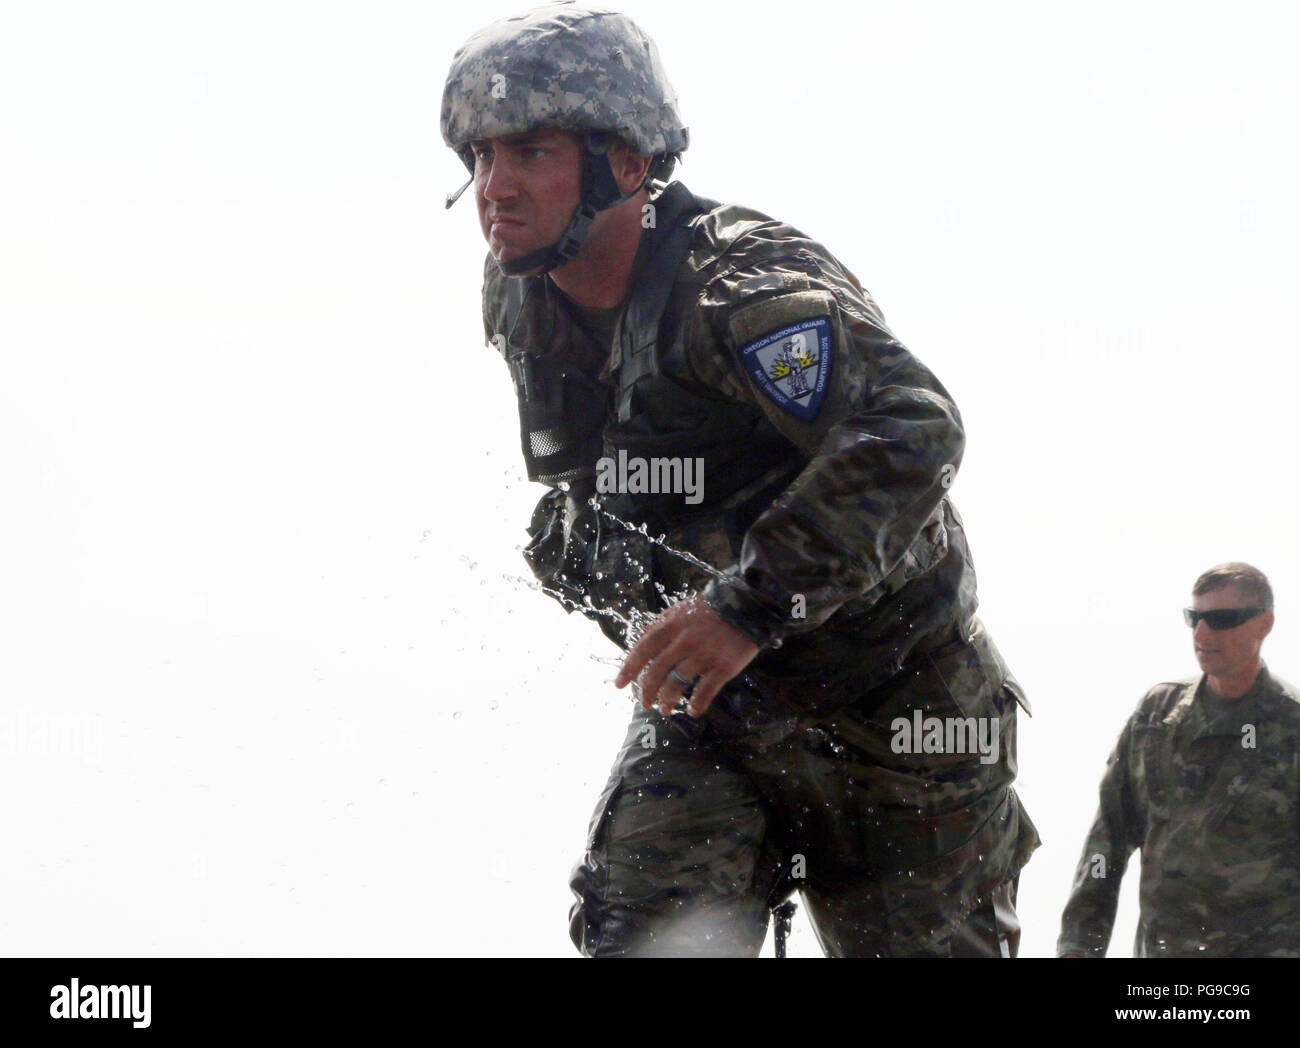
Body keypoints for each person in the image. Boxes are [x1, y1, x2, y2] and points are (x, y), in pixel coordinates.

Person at [443, 3, 1038, 957]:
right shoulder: (522, 294)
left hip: (902, 710)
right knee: (637, 935)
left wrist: (748, 607)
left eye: (531, 153)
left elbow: (913, 429)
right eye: (479, 157)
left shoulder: (741, 289)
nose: (496, 187)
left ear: (626, 164)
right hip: (722, 713)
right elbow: (592, 498)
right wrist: (611, 579)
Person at [1058, 562, 1300, 957]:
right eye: (1195, 618)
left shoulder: (1291, 727)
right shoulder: (1157, 716)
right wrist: (1079, 945)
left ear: (1264, 624)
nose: (1203, 634)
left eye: (1221, 619)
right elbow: (1108, 842)